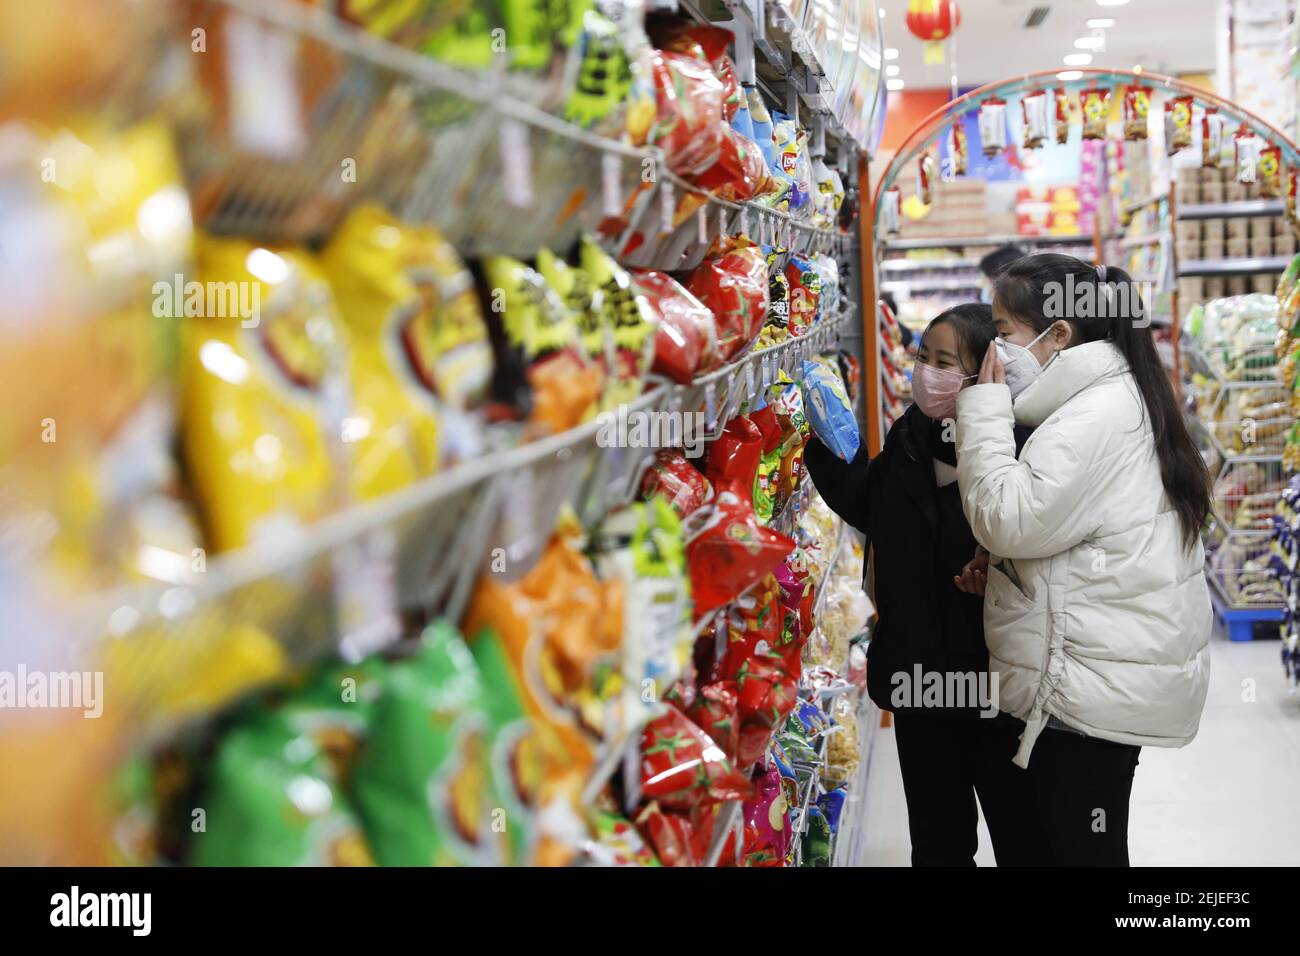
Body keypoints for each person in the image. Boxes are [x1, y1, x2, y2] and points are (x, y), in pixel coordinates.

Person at [954, 253, 1212, 866]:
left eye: (1004, 332)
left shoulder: (1093, 416)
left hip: (1087, 694)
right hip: (1095, 677)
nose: (995, 350)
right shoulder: (1106, 398)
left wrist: (984, 409)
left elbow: (1009, 518)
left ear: (1059, 336)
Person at [805, 303, 1035, 866]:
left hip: (995, 688)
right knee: (937, 843)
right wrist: (828, 443)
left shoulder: (1016, 450)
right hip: (918, 683)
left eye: (945, 362)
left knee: (1021, 838)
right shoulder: (907, 441)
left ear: (985, 374)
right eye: (923, 357)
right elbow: (869, 503)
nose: (927, 373)